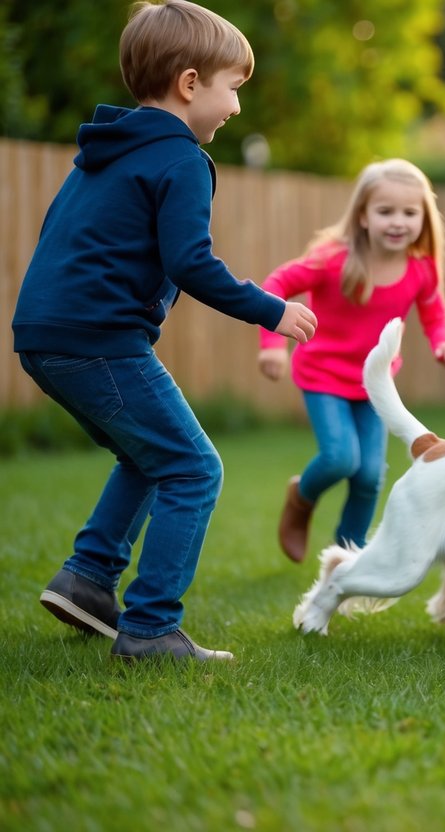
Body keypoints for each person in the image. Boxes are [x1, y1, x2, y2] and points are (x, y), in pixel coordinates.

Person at [11, 0, 317, 662]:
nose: (236, 108)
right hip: (97, 339)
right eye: (232, 89)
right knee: (192, 466)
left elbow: (58, 238)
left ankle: (88, 580)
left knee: (148, 454)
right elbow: (190, 262)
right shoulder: (179, 159)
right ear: (188, 84)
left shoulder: (103, 151)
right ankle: (151, 628)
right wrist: (271, 309)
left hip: (45, 333)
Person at [259, 159, 445, 563]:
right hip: (322, 375)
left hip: (375, 384)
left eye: (409, 212)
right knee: (340, 458)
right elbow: (277, 284)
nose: (398, 221)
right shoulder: (333, 260)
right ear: (363, 216)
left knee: (369, 476)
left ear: (424, 218)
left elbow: (436, 314)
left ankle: (346, 558)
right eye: (385, 211)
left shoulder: (421, 270)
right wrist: (271, 343)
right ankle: (300, 497)